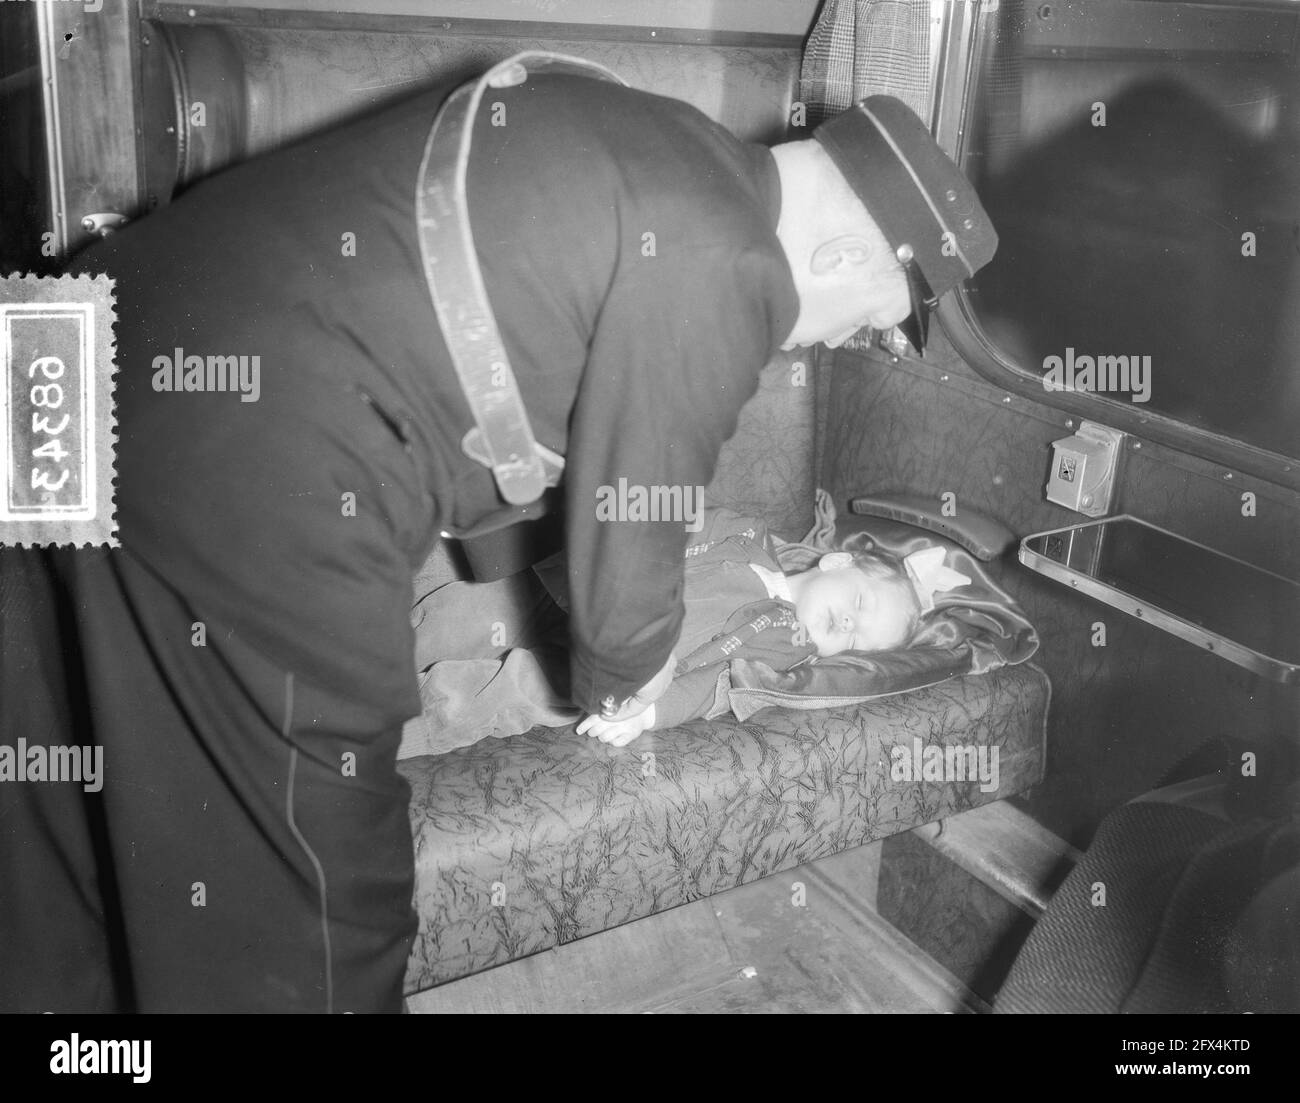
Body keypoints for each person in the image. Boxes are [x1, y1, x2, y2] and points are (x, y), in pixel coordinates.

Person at [0, 63, 997, 1012]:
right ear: (847, 256)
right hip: (250, 444)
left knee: (52, 793)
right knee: (312, 899)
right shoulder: (730, 253)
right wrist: (627, 682)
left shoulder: (660, 140)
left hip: (65, 341)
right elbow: (637, 511)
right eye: (872, 319)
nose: (835, 340)